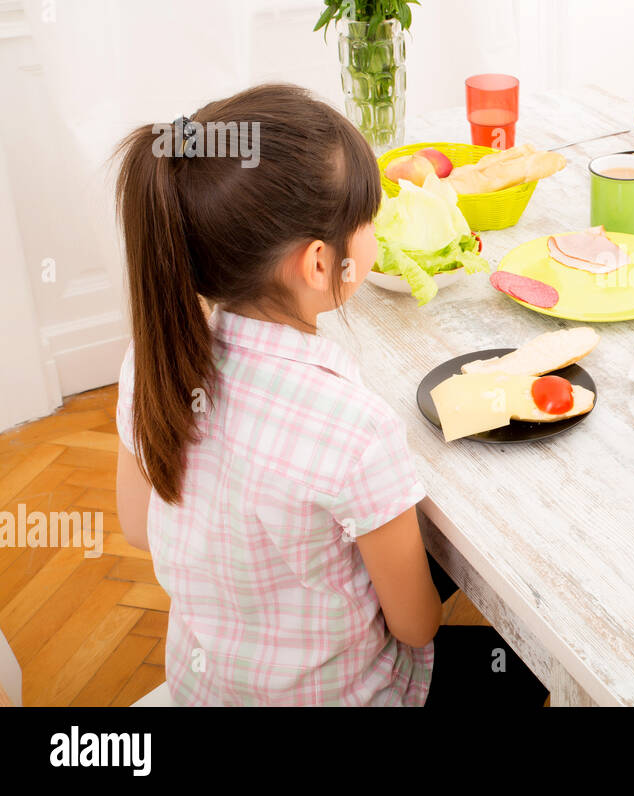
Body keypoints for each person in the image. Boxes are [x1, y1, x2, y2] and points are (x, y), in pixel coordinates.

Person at [113, 83, 548, 706]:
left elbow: (137, 526)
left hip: (203, 688)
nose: (375, 231)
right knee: (527, 661)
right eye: (367, 221)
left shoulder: (147, 362)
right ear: (320, 264)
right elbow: (416, 625)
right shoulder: (353, 425)